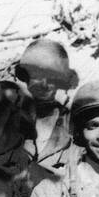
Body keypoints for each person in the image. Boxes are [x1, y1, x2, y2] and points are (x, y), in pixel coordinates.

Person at [13, 38, 77, 180]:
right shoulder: (7, 120)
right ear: (25, 77)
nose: (44, 84)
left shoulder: (76, 125)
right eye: (36, 75)